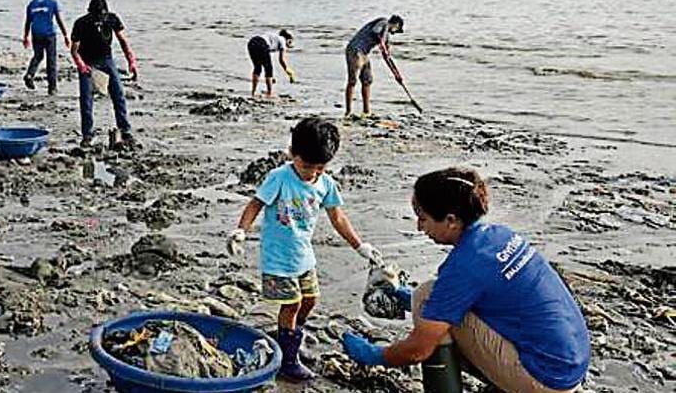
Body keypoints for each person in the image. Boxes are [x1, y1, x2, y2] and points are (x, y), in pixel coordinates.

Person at [341, 167, 590, 392]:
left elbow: (417, 350)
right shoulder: (499, 236)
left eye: (423, 218)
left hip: (547, 380)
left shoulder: (464, 266)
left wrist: (373, 354)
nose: (419, 227)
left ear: (451, 220)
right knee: (429, 298)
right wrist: (407, 297)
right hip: (570, 363)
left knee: (428, 302)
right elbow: (489, 298)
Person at [228, 117, 384, 382]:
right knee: (292, 303)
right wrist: (241, 231)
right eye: (307, 165)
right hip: (277, 257)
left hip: (304, 256)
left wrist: (360, 246)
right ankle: (288, 360)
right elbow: (255, 204)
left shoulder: (325, 184)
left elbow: (338, 218)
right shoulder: (279, 178)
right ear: (292, 154)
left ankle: (286, 335)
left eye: (320, 167)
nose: (313, 173)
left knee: (310, 300)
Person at [70, 0, 138, 148]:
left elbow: (123, 41)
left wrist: (131, 61)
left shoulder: (112, 19)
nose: (99, 19)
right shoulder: (81, 23)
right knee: (86, 100)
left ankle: (125, 129)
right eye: (96, 16)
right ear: (90, 13)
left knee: (119, 94)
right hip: (86, 61)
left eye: (101, 15)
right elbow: (74, 50)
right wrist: (80, 65)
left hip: (106, 59)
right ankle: (87, 135)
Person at [344, 14, 404, 118]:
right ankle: (348, 112)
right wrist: (382, 44)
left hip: (364, 54)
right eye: (397, 29)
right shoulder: (383, 21)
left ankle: (366, 111)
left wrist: (396, 74)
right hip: (355, 50)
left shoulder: (386, 38)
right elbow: (375, 31)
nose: (394, 33)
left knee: (367, 80)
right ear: (396, 24)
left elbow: (387, 57)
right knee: (352, 81)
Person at [22, 0, 69, 94]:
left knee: (38, 56)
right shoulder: (52, 3)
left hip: (36, 34)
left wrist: (26, 37)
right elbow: (59, 19)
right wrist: (66, 35)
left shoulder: (31, 4)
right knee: (51, 60)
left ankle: (29, 74)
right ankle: (52, 88)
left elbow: (28, 22)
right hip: (49, 34)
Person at [247, 29, 296, 98]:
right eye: (290, 42)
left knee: (257, 68)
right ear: (288, 39)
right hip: (262, 44)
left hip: (252, 42)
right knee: (268, 70)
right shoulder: (282, 40)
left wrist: (271, 79)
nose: (290, 44)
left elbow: (265, 54)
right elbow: (281, 60)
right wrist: (288, 71)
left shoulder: (274, 37)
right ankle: (269, 93)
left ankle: (253, 92)